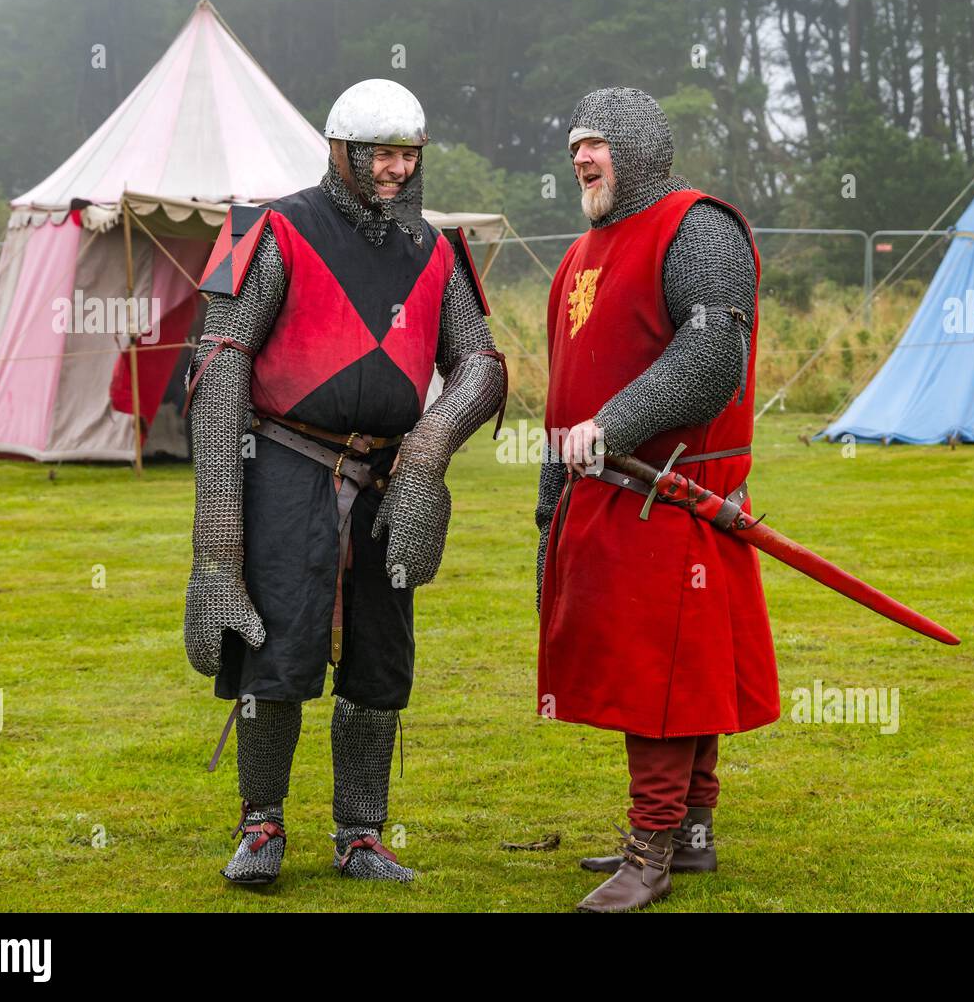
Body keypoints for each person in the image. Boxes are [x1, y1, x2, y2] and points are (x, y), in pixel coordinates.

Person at [184, 78, 505, 886]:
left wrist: (428, 455)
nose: (396, 170)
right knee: (275, 648)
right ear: (342, 151)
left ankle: (360, 832)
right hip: (285, 466)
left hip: (389, 475)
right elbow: (219, 371)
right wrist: (217, 547)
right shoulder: (272, 228)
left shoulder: (436, 249)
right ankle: (262, 827)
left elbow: (478, 363)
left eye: (408, 155)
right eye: (382, 154)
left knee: (379, 660)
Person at [536, 87, 780, 913]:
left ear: (638, 148)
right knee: (668, 672)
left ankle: (653, 850)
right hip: (609, 497)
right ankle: (690, 834)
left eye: (596, 142)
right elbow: (568, 387)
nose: (580, 156)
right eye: (574, 143)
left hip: (674, 495)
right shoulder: (583, 251)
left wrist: (611, 423)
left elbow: (711, 360)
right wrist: (551, 498)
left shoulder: (695, 227)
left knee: (663, 679)